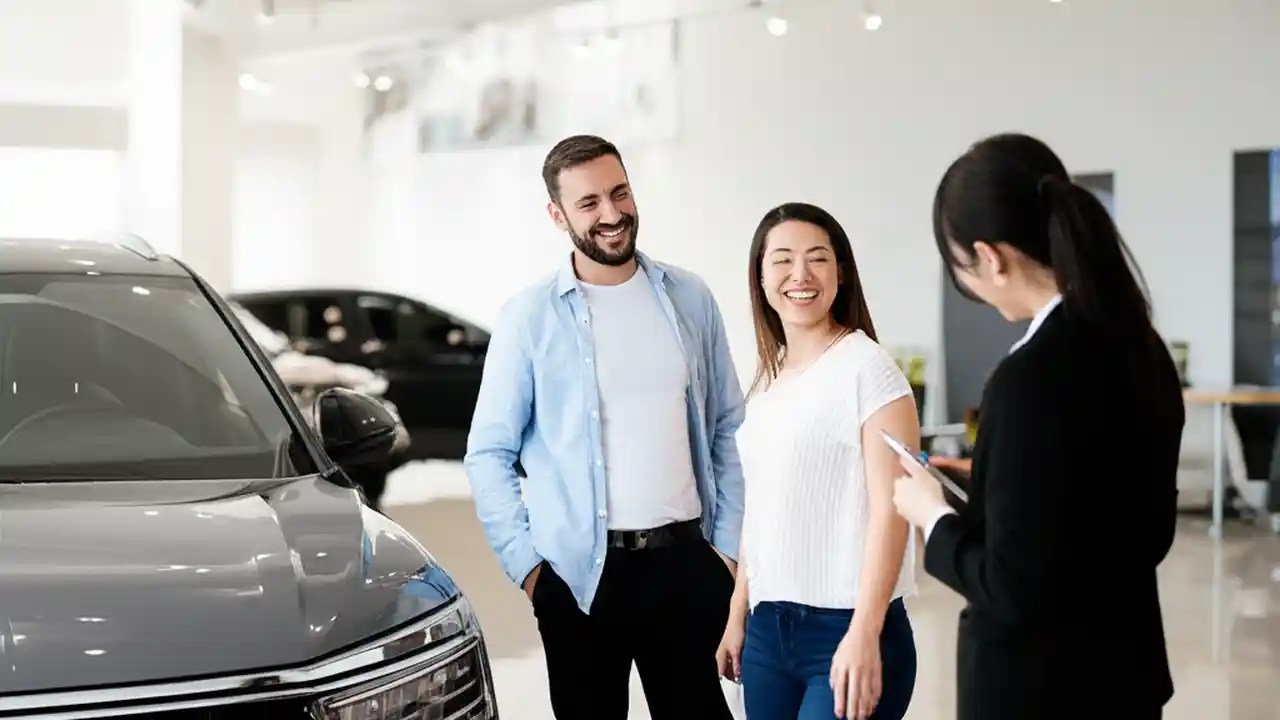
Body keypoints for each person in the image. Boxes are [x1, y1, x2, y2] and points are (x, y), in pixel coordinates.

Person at [891, 133, 1184, 720]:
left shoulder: (1028, 379)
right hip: (1125, 674)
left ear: (989, 257)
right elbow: (1132, 524)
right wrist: (992, 484)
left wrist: (933, 515)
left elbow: (1013, 587)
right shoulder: (1141, 346)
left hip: (1039, 688)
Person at [464, 134, 745, 719]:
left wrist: (728, 553)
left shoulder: (689, 297)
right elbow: (489, 452)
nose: (612, 214)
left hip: (689, 565)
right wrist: (530, 569)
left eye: (620, 193)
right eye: (589, 202)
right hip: (578, 578)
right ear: (557, 214)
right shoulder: (529, 317)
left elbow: (727, 428)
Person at [715, 202, 919, 720]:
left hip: (847, 628)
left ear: (841, 272)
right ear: (760, 277)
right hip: (768, 632)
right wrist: (738, 613)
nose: (799, 275)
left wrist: (864, 632)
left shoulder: (868, 369)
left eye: (817, 259)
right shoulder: (768, 386)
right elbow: (758, 513)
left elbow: (891, 514)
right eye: (782, 260)